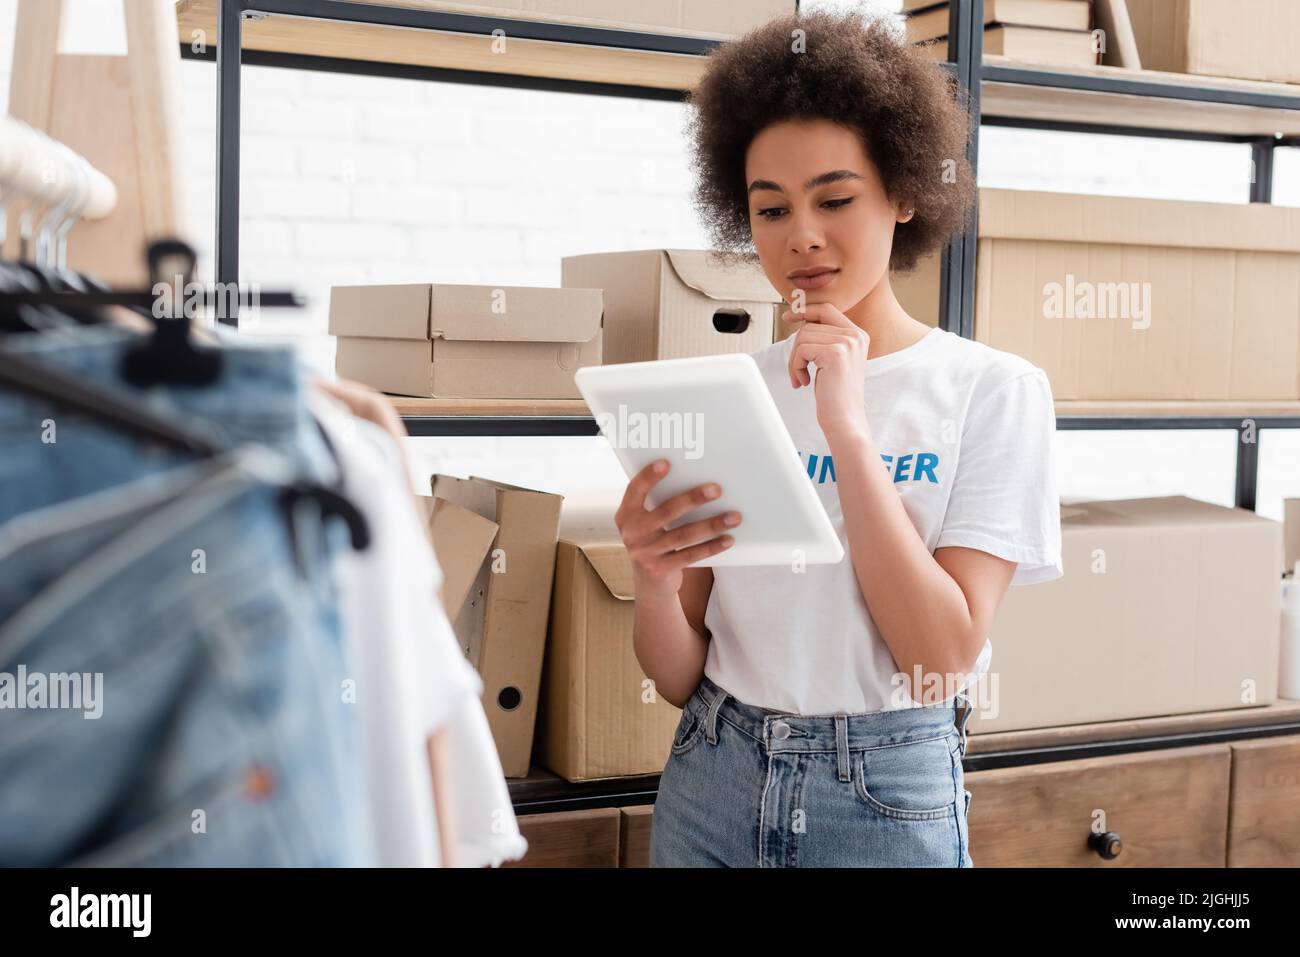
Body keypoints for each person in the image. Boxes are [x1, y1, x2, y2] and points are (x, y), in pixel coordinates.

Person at [616, 8, 1064, 868]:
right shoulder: (737, 389)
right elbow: (677, 677)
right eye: (771, 208)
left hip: (883, 794)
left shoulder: (993, 391)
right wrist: (652, 581)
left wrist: (847, 431)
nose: (802, 236)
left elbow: (941, 653)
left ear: (902, 191)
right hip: (713, 775)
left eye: (835, 198)